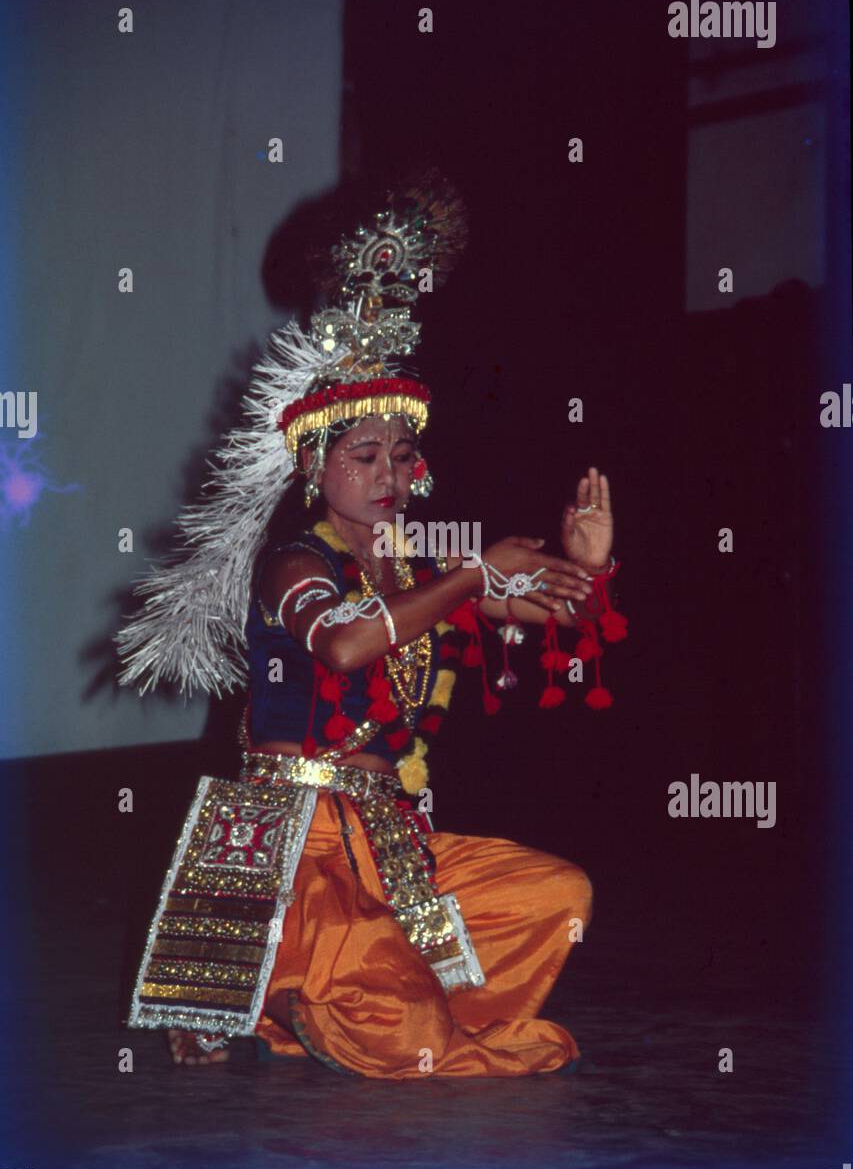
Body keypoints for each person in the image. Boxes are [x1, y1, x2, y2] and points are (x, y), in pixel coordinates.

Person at [116, 172, 625, 1078]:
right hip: (300, 843)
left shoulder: (416, 571)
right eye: (364, 454)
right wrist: (472, 571)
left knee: (560, 891)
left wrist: (582, 564)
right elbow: (351, 642)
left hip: (391, 837)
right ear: (316, 468)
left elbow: (539, 609)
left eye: (402, 452)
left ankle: (362, 991)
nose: (389, 470)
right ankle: (291, 986)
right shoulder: (293, 566)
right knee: (418, 1048)